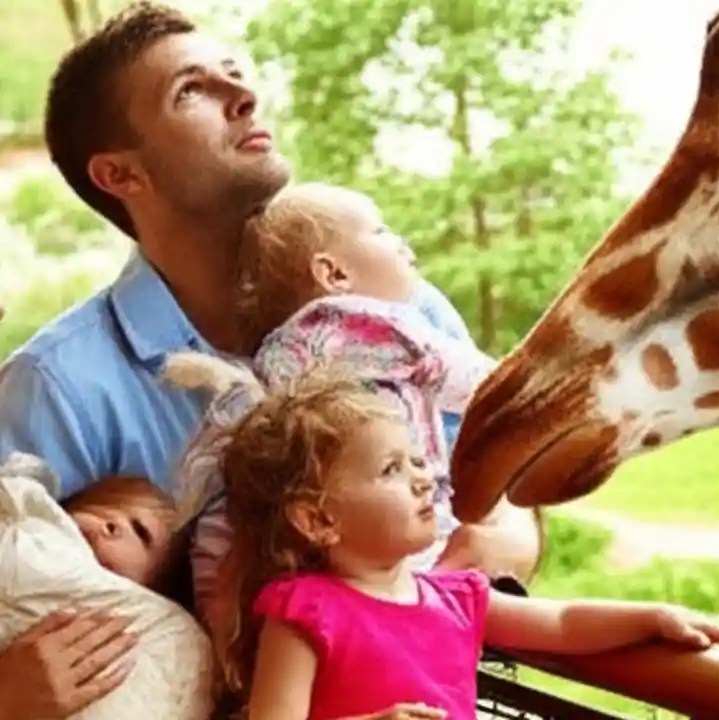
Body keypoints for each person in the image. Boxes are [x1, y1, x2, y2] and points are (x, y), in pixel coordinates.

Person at [0, 4, 539, 717]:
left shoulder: (398, 306)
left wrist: (489, 551)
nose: (244, 97)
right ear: (120, 174)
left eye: (236, 75)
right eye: (191, 91)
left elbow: (507, 501)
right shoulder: (57, 386)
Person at [201, 368, 719, 719]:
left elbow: (562, 624)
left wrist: (649, 617)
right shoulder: (305, 612)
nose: (422, 478)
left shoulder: (458, 596)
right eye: (391, 469)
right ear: (318, 519)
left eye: (417, 460)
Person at [176, 181, 498, 622]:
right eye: (382, 232)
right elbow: (487, 388)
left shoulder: (274, 354)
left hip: (322, 542)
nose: (401, 243)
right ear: (334, 275)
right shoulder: (378, 324)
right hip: (394, 524)